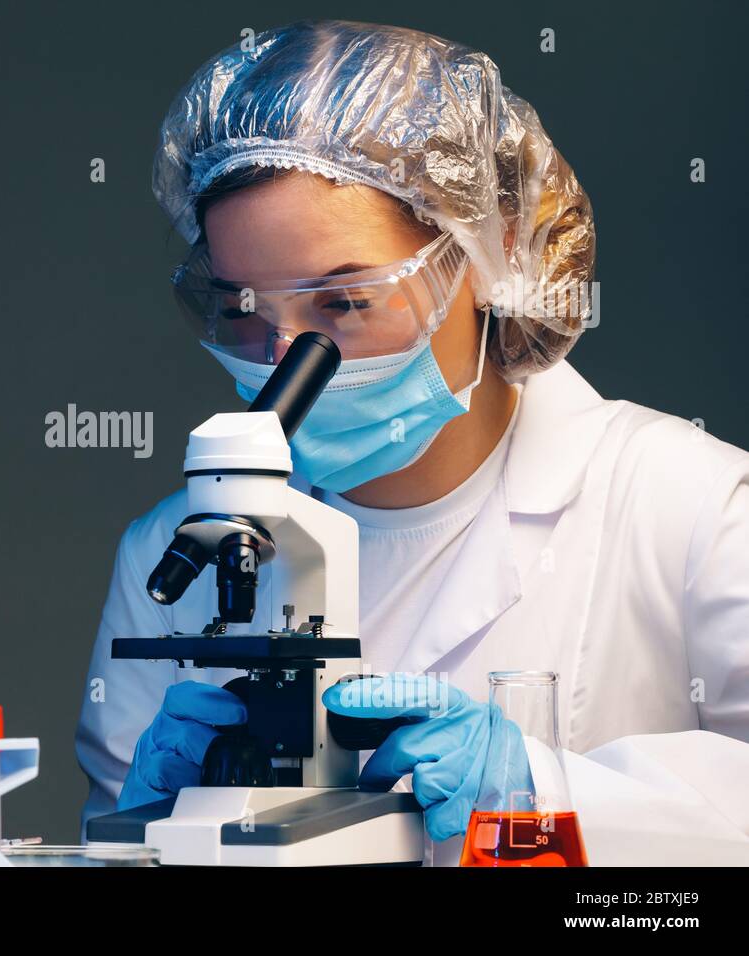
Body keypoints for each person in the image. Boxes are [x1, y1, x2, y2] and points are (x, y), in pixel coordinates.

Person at [75, 20, 749, 865]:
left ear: (487, 257)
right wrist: (153, 838)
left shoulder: (690, 507)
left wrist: (542, 796)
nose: (286, 361)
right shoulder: (168, 552)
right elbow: (114, 842)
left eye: (343, 303)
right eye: (248, 310)